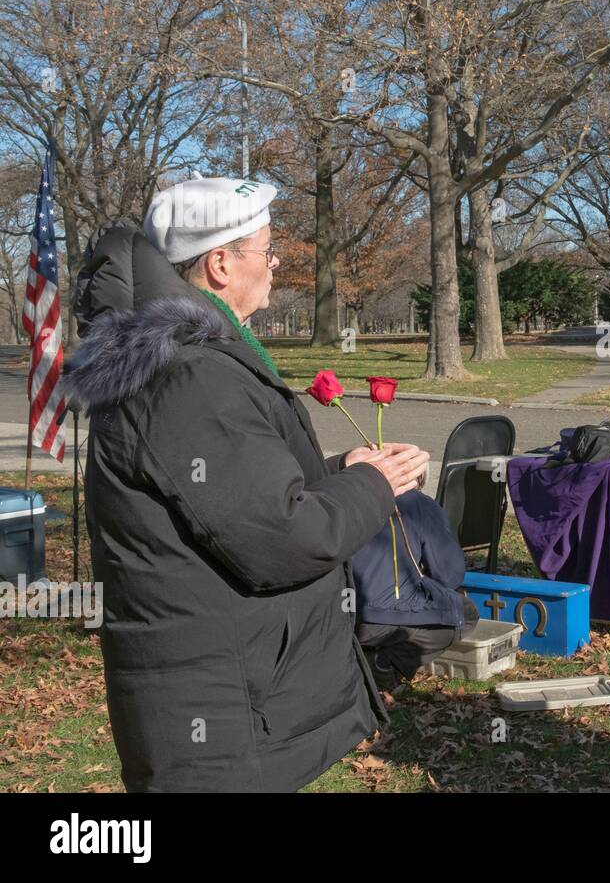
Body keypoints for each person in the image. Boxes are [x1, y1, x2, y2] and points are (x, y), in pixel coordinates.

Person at [65, 174, 431, 792]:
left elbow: (228, 495)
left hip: (231, 688)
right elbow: (284, 536)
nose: (276, 266)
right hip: (215, 716)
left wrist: (339, 472)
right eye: (267, 252)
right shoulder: (188, 377)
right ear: (219, 265)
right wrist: (375, 485)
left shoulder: (192, 360)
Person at [353, 490, 479, 685]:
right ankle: (383, 666)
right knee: (465, 613)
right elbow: (449, 575)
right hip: (379, 617)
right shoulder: (416, 502)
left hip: (333, 614)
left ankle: (360, 658)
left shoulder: (341, 494)